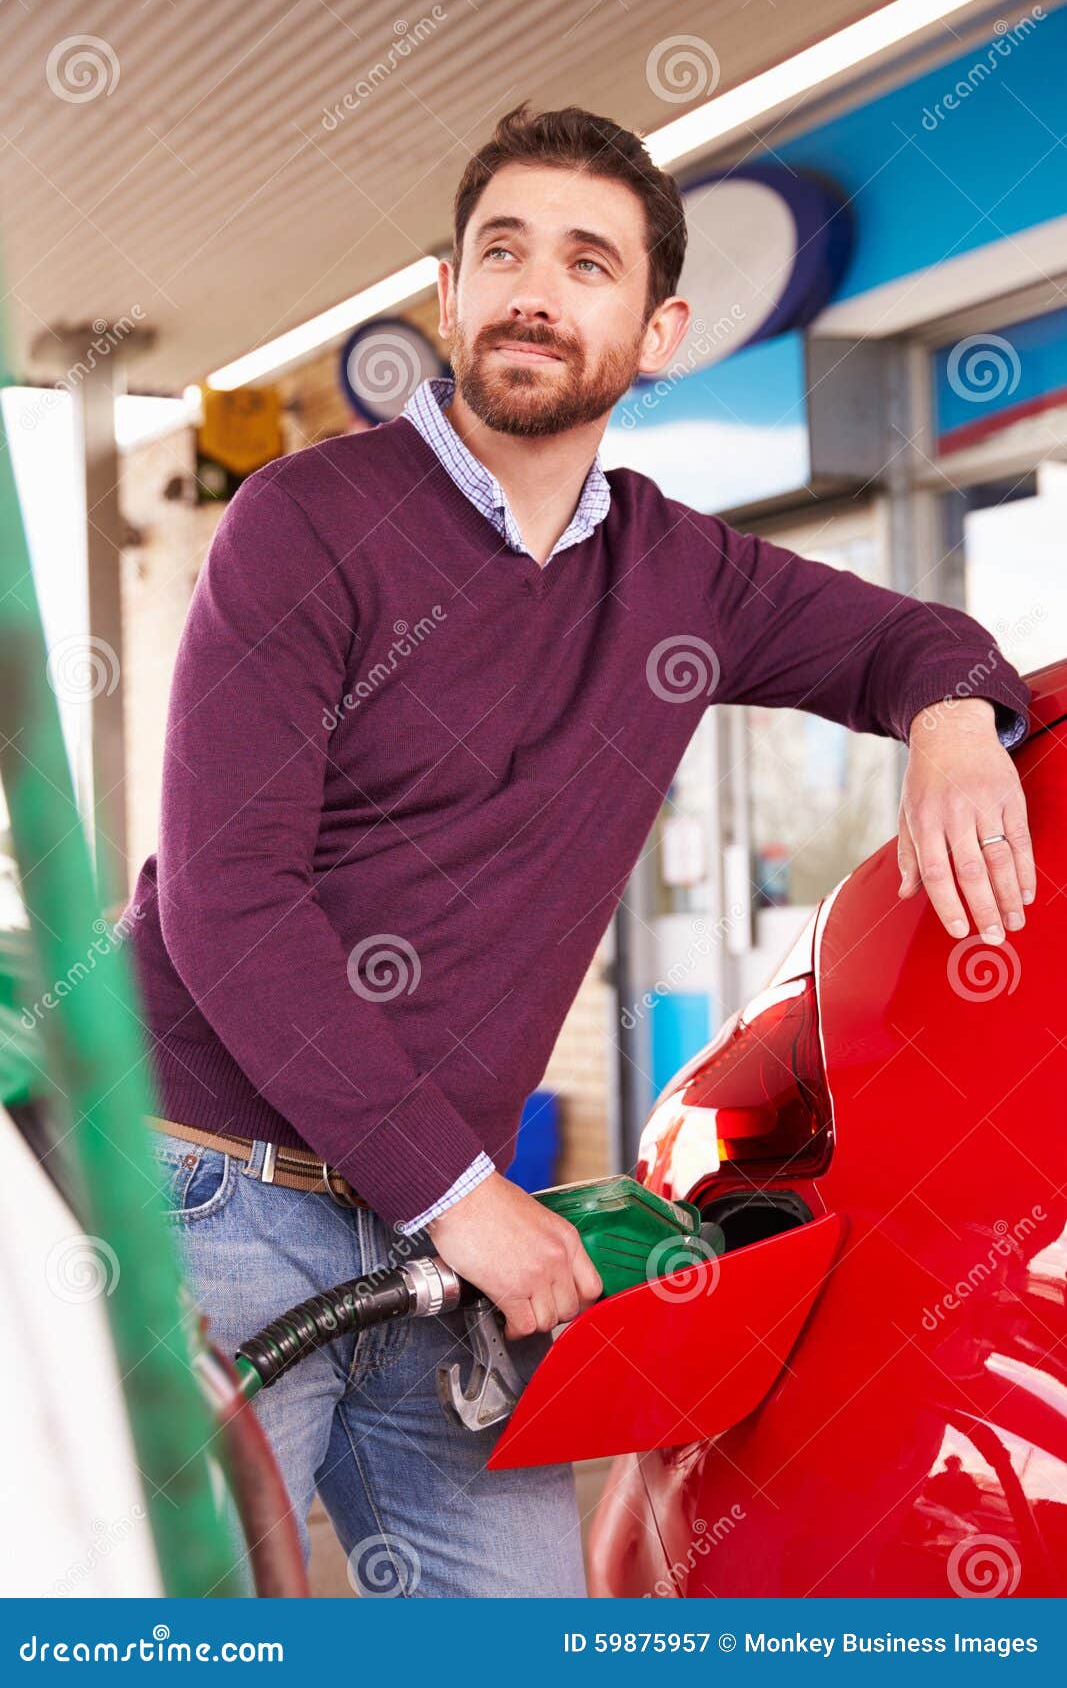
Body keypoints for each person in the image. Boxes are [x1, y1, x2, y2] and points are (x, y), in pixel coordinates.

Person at [126, 103, 1035, 1597]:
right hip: (223, 1203)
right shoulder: (304, 523)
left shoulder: (678, 569)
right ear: (451, 297)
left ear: (661, 327)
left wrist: (948, 713)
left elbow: (913, 637)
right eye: (505, 252)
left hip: (436, 1245)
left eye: (588, 261)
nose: (538, 290)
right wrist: (465, 1197)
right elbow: (230, 902)